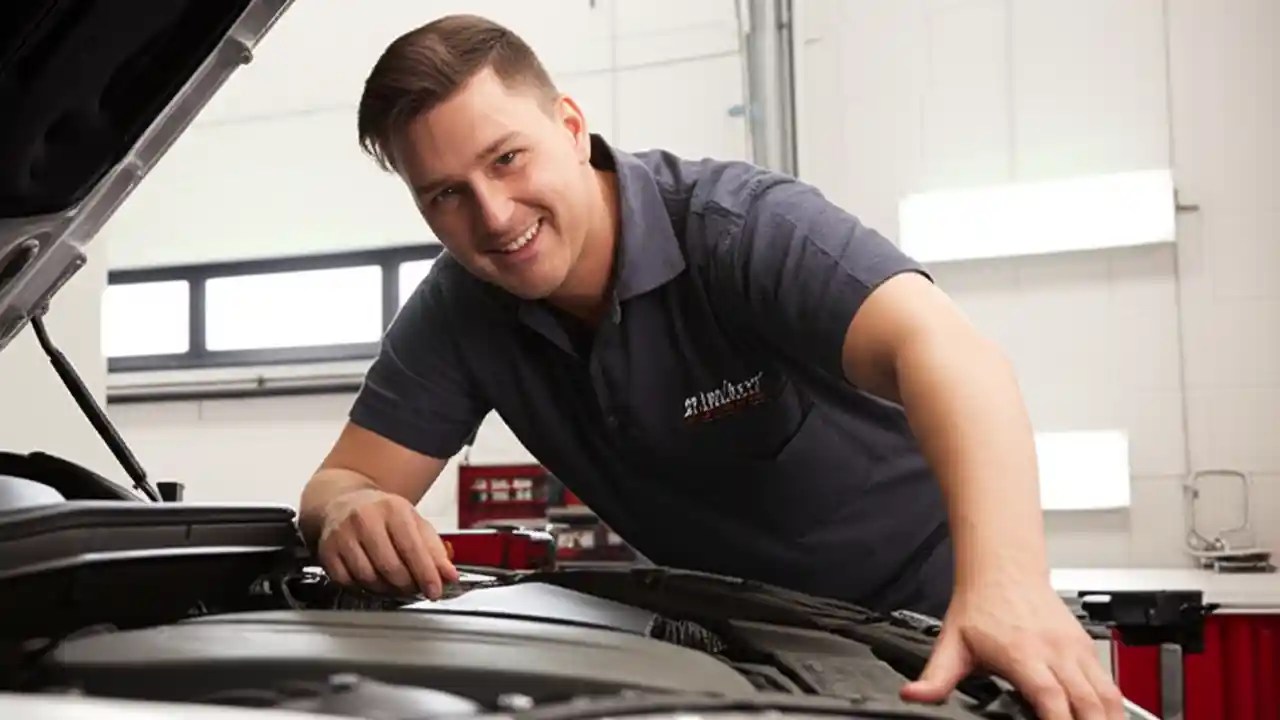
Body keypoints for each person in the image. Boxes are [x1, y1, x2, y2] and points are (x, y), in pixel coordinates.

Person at [297, 13, 1124, 720]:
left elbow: (952, 355)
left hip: (948, 628)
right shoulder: (460, 309)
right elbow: (338, 483)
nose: (493, 214)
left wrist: (1010, 586)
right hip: (752, 654)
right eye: (445, 193)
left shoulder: (742, 230)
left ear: (572, 127)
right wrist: (354, 509)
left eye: (507, 158)